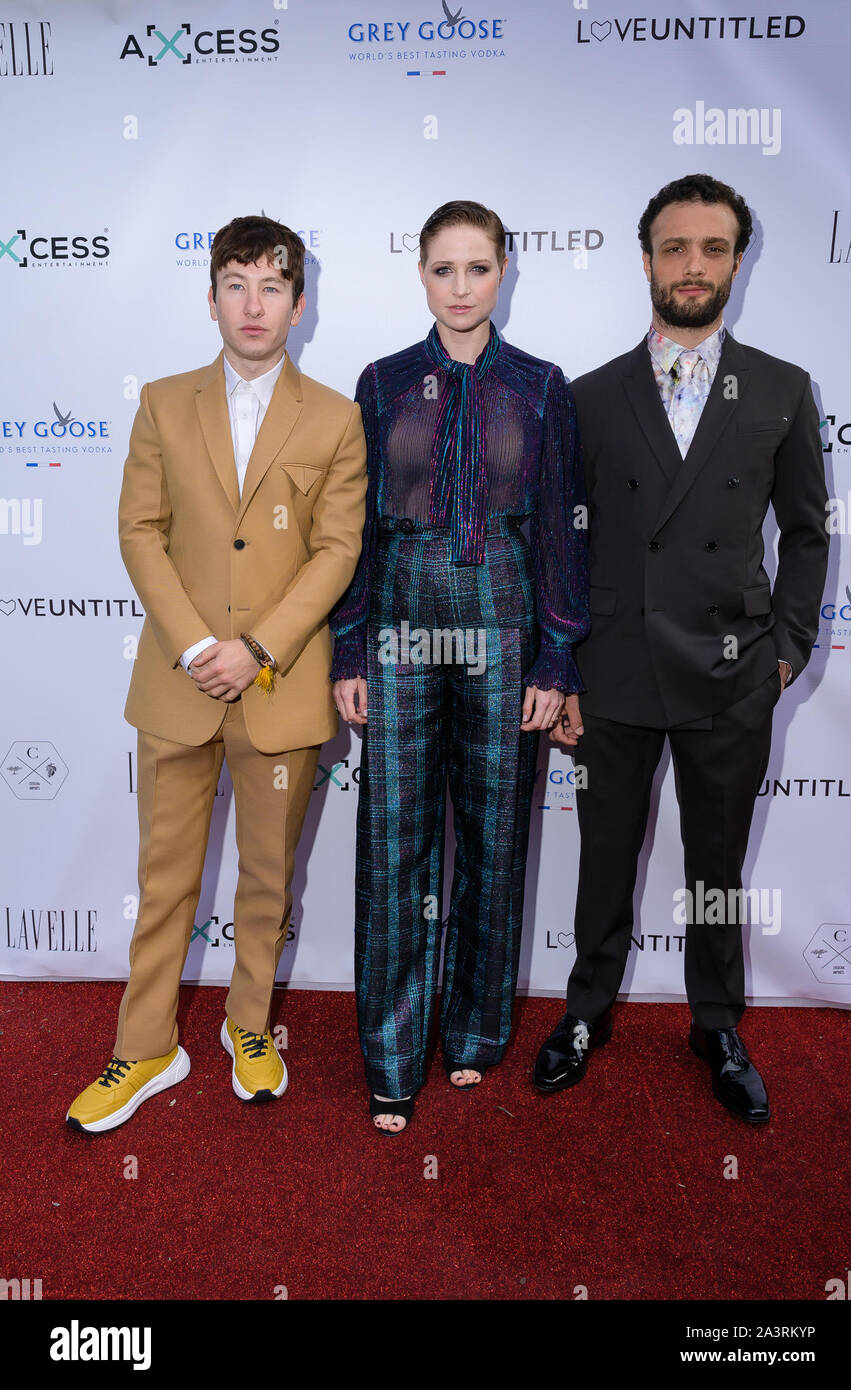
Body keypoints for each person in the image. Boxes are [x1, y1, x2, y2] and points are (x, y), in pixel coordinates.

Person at [534, 174, 829, 1124]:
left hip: (730, 672)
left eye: (710, 249)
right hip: (612, 672)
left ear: (736, 262)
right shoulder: (586, 397)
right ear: (648, 260)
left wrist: (782, 649)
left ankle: (715, 1022)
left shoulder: (782, 388)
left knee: (714, 868)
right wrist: (564, 664)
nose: (691, 267)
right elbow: (562, 544)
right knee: (603, 861)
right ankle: (585, 1011)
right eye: (673, 248)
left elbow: (808, 535)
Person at [67, 215, 367, 1132]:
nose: (253, 303)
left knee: (268, 880)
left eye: (272, 286)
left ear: (299, 304)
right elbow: (139, 531)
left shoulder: (338, 417)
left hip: (279, 689)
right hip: (177, 684)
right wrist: (201, 646)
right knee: (164, 882)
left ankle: (251, 1027)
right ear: (210, 297)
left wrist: (258, 650)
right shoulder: (162, 401)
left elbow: (336, 549)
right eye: (235, 283)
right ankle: (147, 1044)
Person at [331, 199, 589, 1134]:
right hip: (398, 616)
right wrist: (350, 641)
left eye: (478, 269)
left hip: (504, 617)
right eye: (444, 270)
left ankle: (476, 1035)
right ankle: (392, 1057)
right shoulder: (383, 380)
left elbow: (561, 524)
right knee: (392, 841)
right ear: (421, 275)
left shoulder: (540, 384)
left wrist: (556, 656)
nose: (462, 288)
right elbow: (352, 528)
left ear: (505, 272)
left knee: (492, 839)